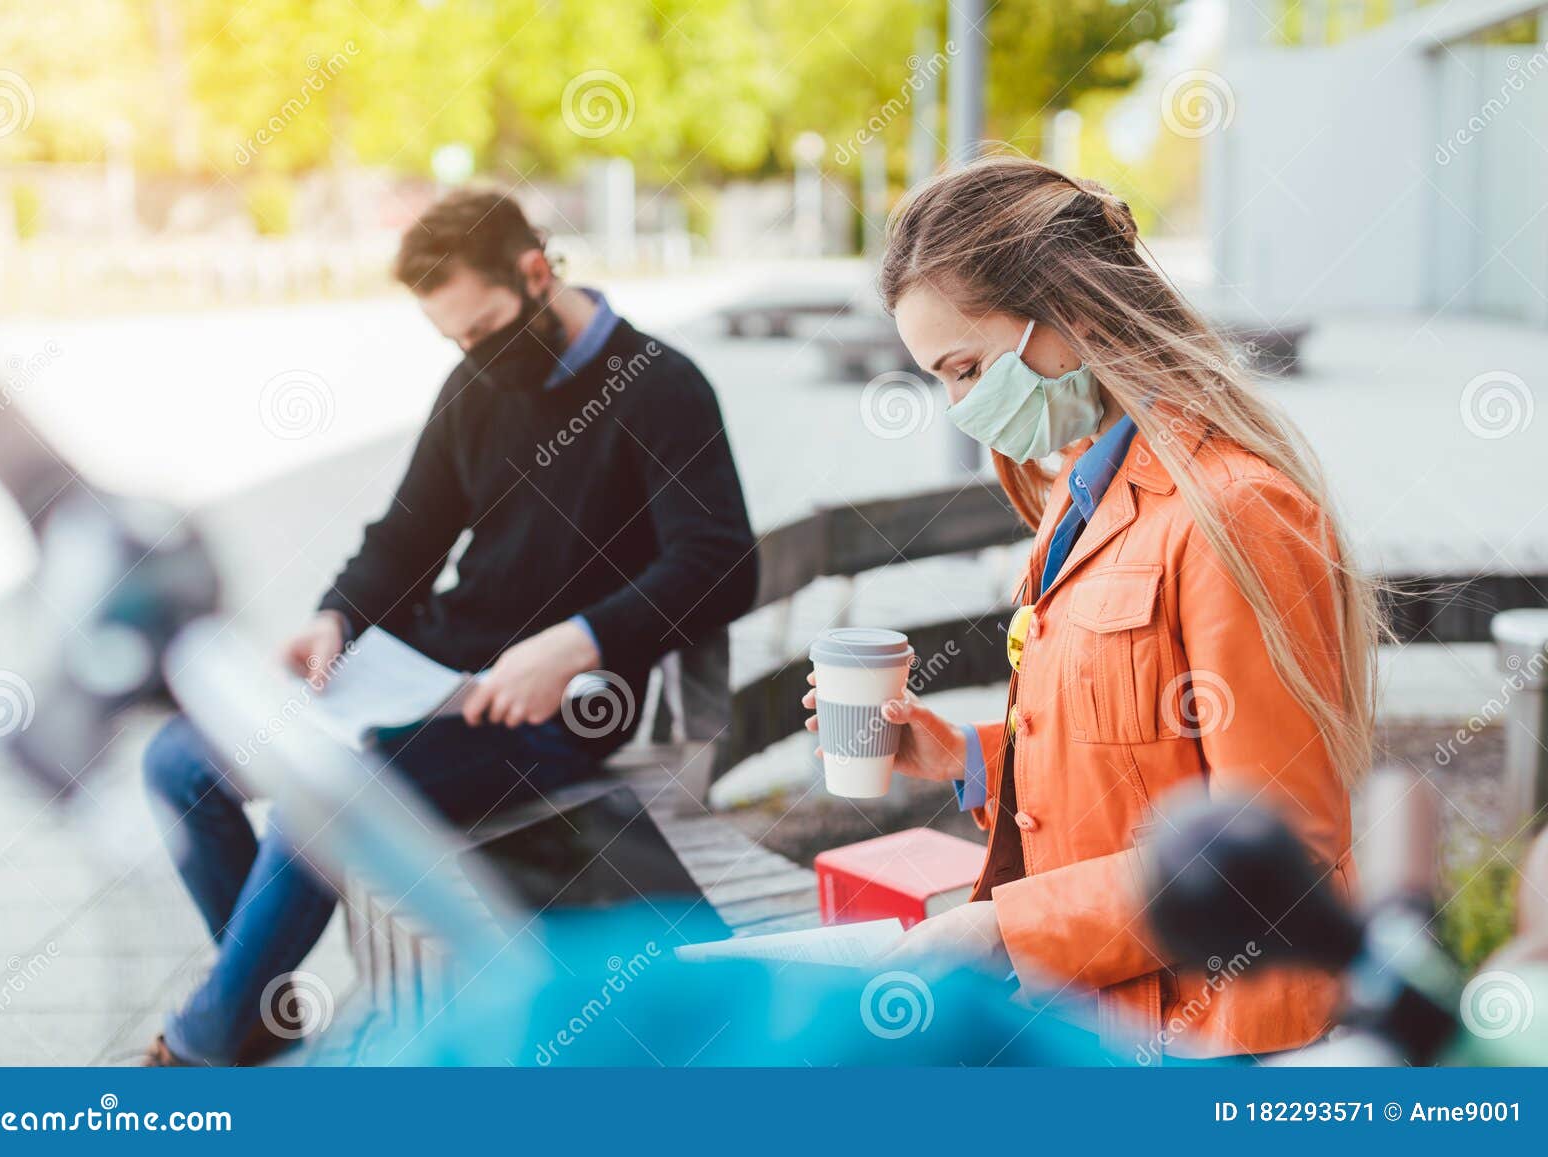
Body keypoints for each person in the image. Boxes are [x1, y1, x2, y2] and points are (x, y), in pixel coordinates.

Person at [141, 187, 758, 1065]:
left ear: (536, 271)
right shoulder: (476, 380)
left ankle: (202, 1043)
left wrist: (579, 639)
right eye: (453, 340)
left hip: (562, 705)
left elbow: (721, 561)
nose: (471, 353)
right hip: (427, 669)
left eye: (481, 327)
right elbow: (409, 533)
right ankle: (256, 1015)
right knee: (176, 762)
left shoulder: (661, 387)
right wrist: (337, 617)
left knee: (321, 803)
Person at [805, 156, 1377, 1060]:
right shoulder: (1081, 494)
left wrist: (1007, 929)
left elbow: (1278, 850)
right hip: (1111, 1021)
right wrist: (964, 757)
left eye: (967, 368)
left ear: (1068, 313)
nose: (960, 407)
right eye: (939, 380)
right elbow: (1139, 751)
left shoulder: (1234, 511)